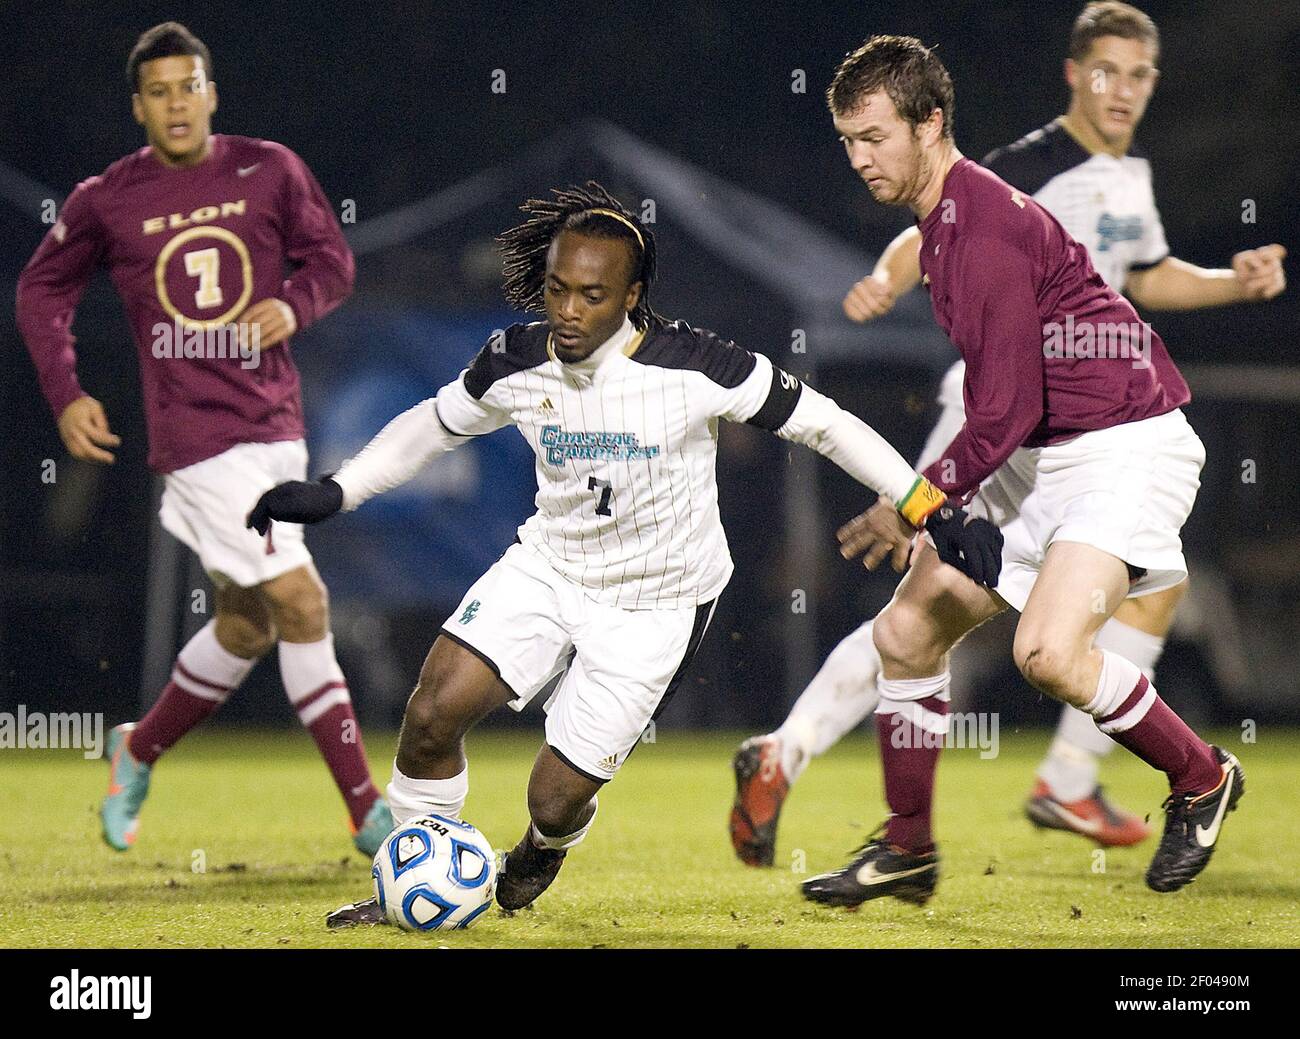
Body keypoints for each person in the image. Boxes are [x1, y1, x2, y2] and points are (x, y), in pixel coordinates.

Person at [245, 182, 1002, 925]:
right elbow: (435, 424)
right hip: (551, 564)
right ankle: (402, 885)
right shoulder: (517, 359)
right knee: (433, 711)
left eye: (592, 295)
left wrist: (926, 505)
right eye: (558, 289)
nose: (569, 311)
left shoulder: (696, 365)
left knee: (553, 797)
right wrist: (337, 492)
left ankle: (544, 845)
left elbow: (825, 423)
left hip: (657, 603)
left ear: (632, 294)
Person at [732, 2, 1285, 867]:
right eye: (848, 139)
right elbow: (1011, 411)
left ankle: (1200, 777)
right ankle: (909, 845)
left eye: (875, 136)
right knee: (908, 628)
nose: (859, 158)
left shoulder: (981, 224)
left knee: (1048, 653)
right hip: (1043, 448)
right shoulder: (944, 219)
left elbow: (1004, 411)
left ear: (932, 122)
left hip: (1124, 442)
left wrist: (913, 504)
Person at [16, 22, 392, 856]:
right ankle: (370, 812)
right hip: (193, 442)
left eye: (189, 86)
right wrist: (66, 394)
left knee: (250, 622)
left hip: (275, 429)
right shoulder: (105, 198)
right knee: (302, 600)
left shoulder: (270, 167)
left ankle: (137, 748)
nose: (176, 103)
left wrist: (293, 305)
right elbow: (42, 291)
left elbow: (331, 260)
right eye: (159, 92)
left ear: (211, 94)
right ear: (139, 108)